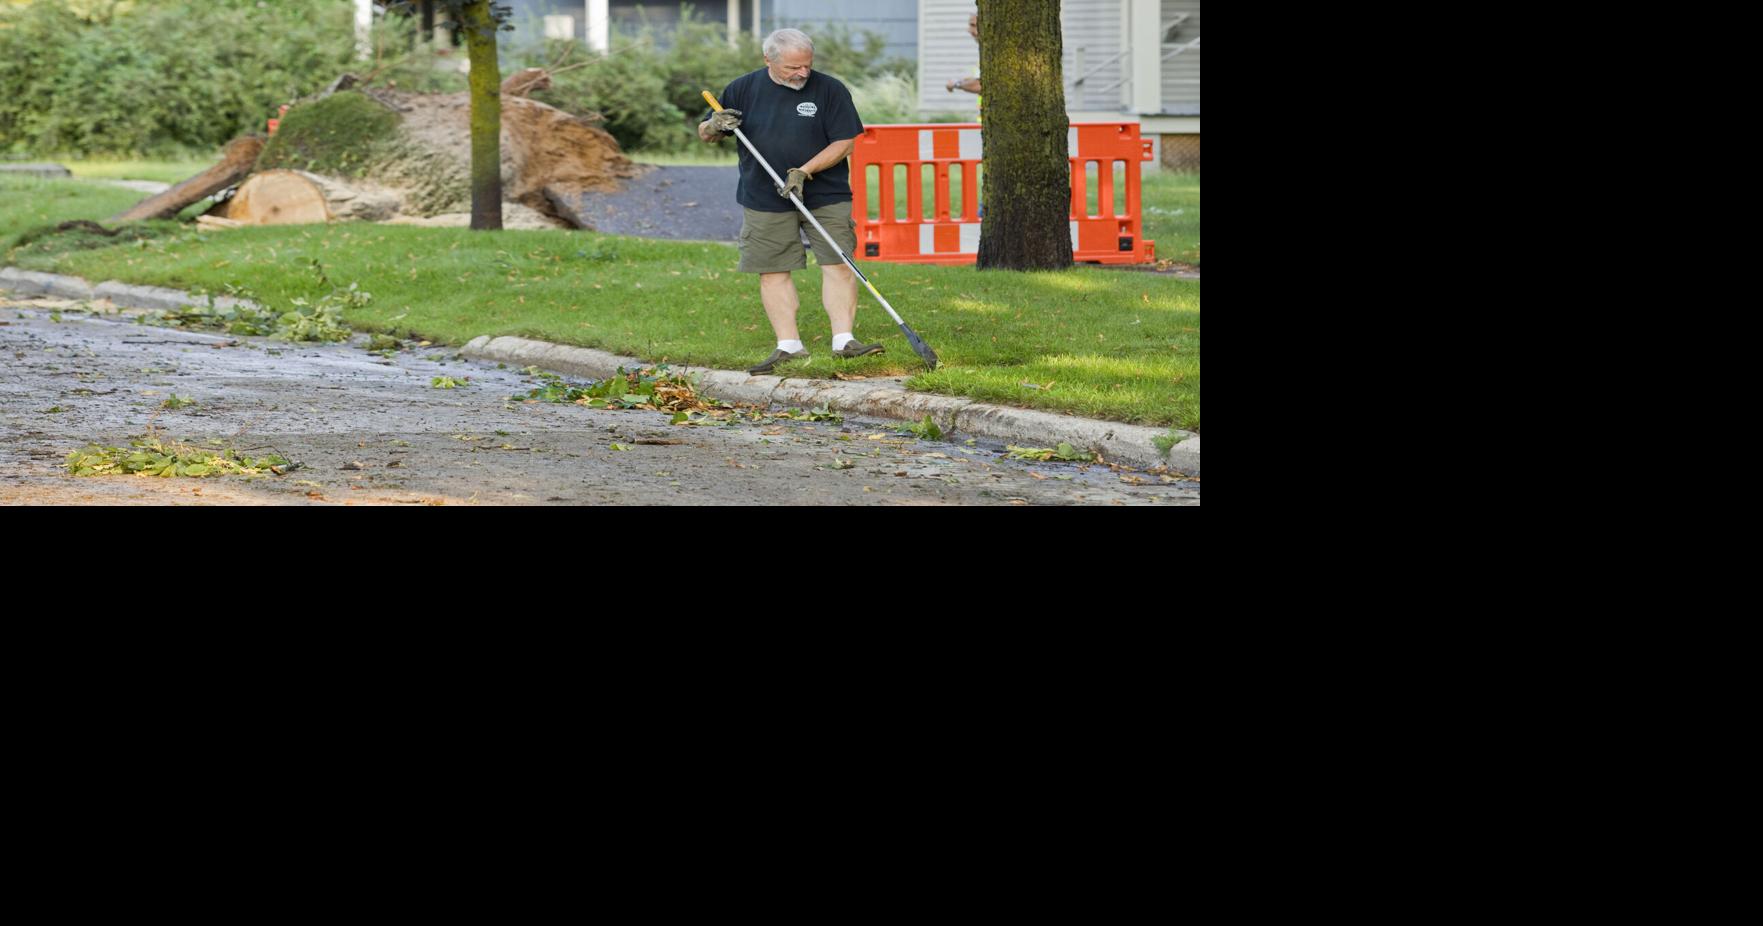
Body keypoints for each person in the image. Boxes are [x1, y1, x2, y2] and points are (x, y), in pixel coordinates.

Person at [699, 28, 884, 375]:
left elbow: (844, 142)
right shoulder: (742, 88)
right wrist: (714, 125)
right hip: (763, 196)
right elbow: (707, 134)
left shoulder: (829, 89)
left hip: (825, 195)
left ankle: (844, 341)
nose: (802, 73)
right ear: (768, 60)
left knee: (838, 262)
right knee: (772, 270)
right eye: (792, 68)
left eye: (807, 66)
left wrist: (804, 171)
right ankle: (789, 346)